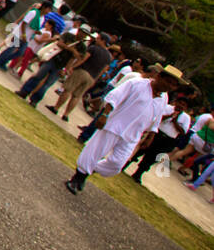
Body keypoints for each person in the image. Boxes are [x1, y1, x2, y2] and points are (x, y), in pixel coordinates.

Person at [65, 66, 182, 194]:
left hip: (133, 135)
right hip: (115, 126)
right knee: (94, 152)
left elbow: (156, 118)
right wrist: (104, 115)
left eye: (173, 85)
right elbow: (114, 97)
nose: (170, 86)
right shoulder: (137, 84)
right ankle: (77, 178)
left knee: (117, 164)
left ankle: (87, 171)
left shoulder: (164, 98)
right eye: (168, 82)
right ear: (159, 76)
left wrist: (151, 135)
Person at [47, 31, 112, 120]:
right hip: (92, 77)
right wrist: (95, 80)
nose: (96, 40)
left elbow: (83, 59)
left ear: (103, 40)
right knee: (77, 96)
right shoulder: (109, 56)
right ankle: (66, 114)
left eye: (98, 38)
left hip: (82, 71)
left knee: (68, 90)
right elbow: (103, 70)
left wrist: (72, 67)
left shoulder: (94, 48)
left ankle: (56, 108)